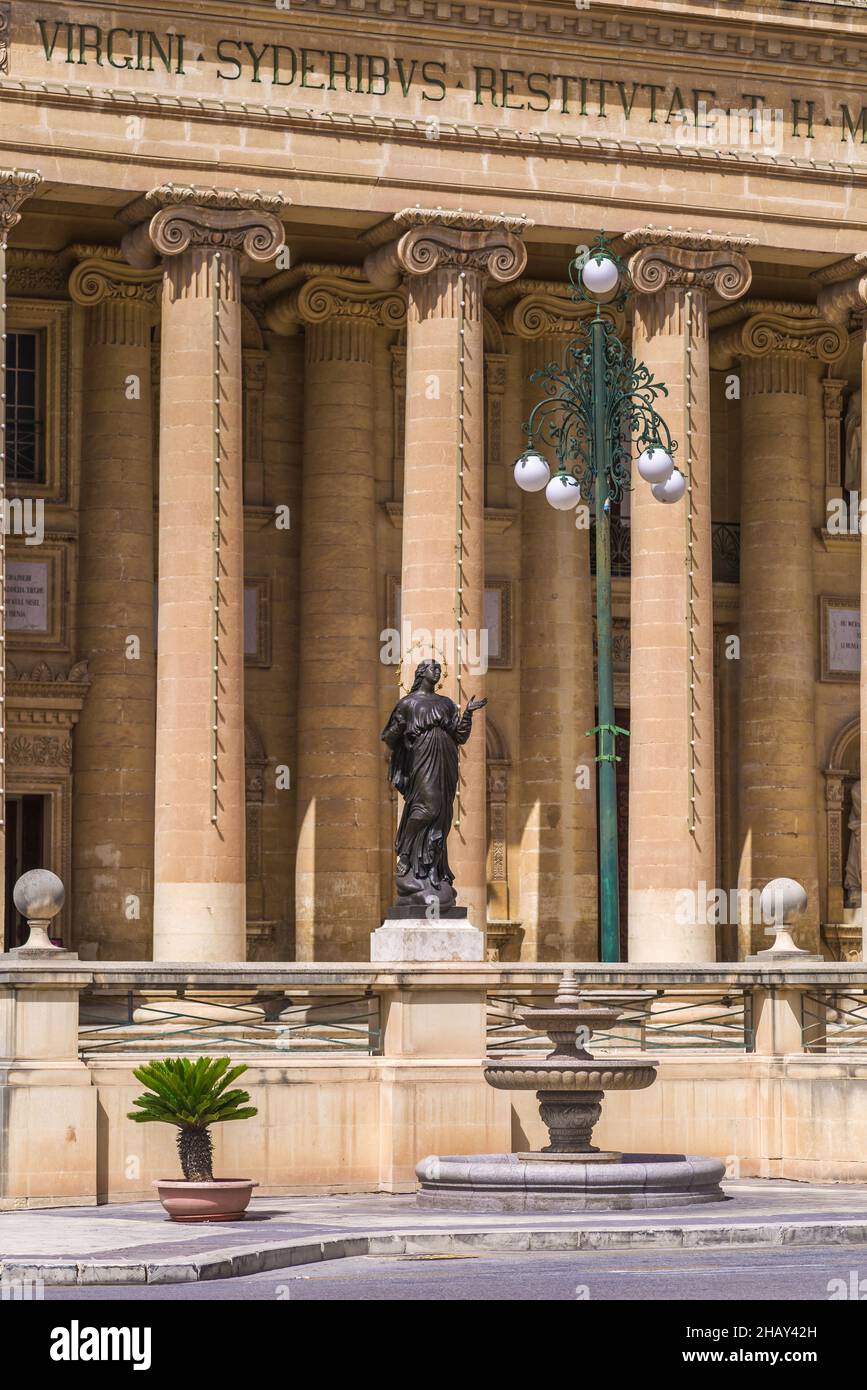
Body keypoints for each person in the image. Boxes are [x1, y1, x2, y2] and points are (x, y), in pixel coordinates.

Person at [381, 659, 486, 912]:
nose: (436, 671)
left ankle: (431, 872)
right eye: (432, 668)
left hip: (445, 763)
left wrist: (469, 712)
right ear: (421, 673)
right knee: (426, 808)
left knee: (441, 814)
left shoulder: (446, 704)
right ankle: (405, 855)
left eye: (439, 668)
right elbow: (388, 736)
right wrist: (404, 732)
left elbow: (459, 736)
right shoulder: (408, 704)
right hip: (422, 761)